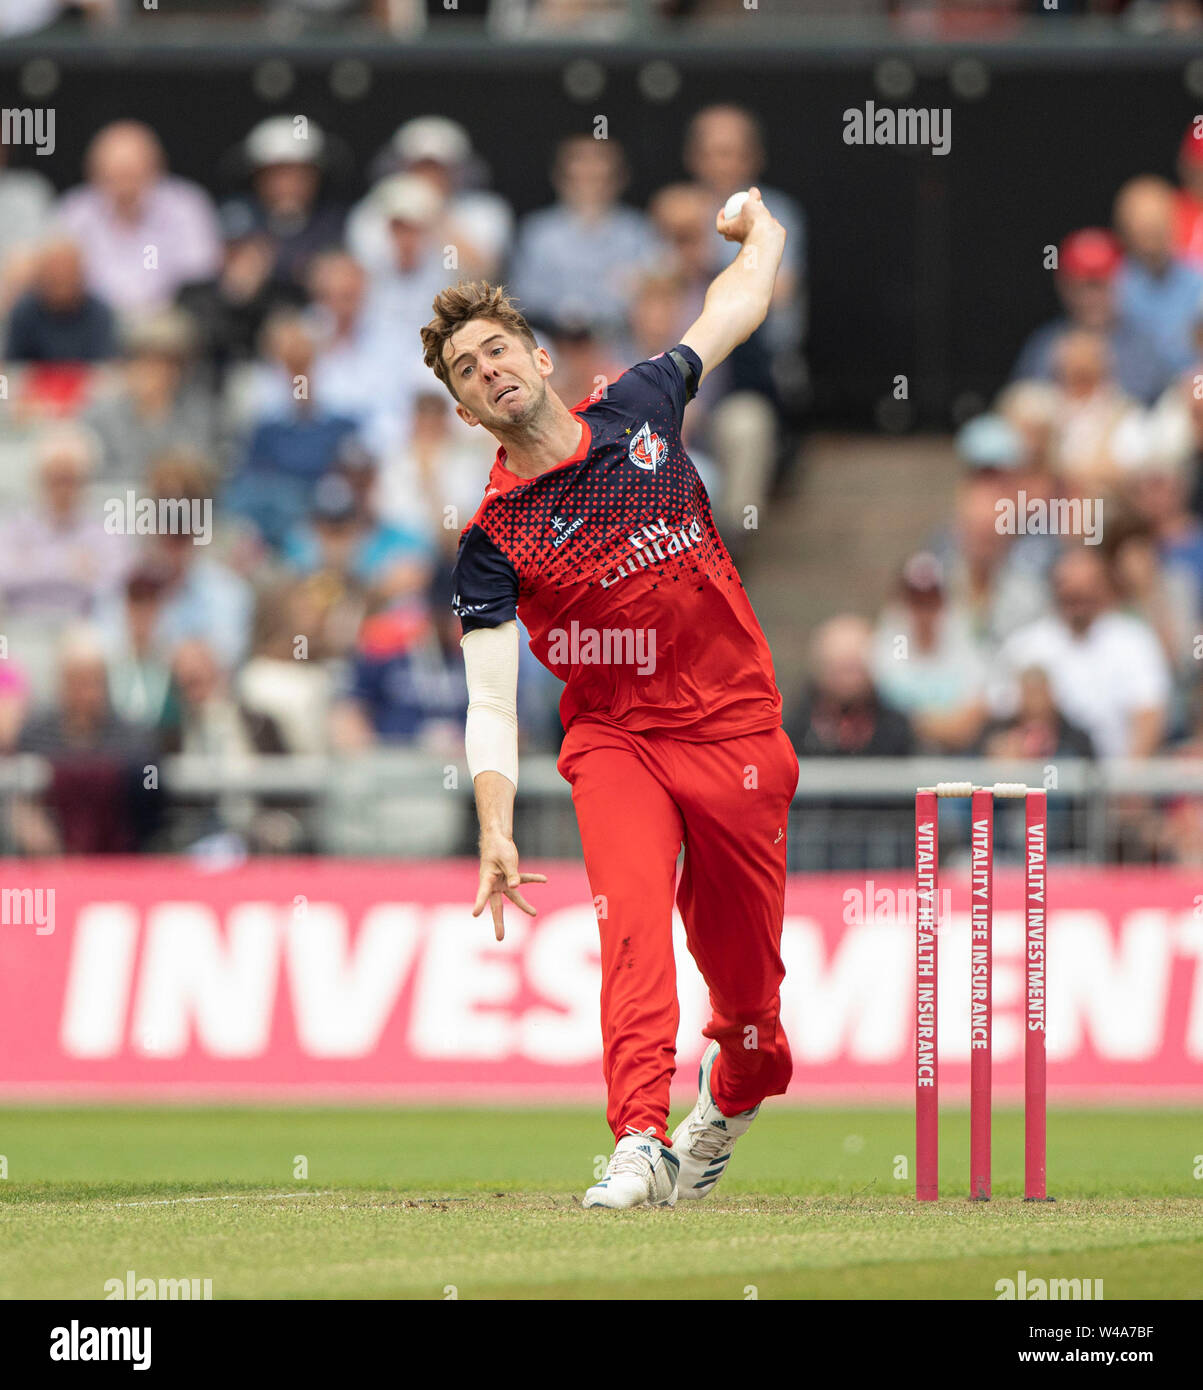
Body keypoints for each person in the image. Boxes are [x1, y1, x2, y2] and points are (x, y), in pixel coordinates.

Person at [421, 188, 797, 1210]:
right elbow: (491, 702)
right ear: (463, 411)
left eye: (498, 350)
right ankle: (637, 1136)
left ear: (540, 360)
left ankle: (726, 1102)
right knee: (629, 918)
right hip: (614, 739)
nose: (487, 370)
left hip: (740, 735)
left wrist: (761, 233)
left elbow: (733, 307)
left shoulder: (639, 406)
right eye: (466, 370)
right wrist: (495, 825)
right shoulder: (494, 540)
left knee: (755, 1020)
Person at [1010, 227, 1172, 406]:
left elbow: (1156, 414)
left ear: (1119, 282)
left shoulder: (1142, 347)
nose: (1091, 297)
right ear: (1064, 286)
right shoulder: (1044, 347)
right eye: (1083, 286)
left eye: (1099, 285)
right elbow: (1022, 410)